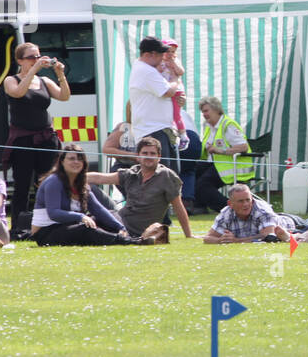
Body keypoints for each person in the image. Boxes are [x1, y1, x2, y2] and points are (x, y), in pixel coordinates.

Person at [2, 41, 70, 220]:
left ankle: (49, 219)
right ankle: (18, 224)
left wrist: (60, 73)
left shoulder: (44, 81)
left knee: (48, 181)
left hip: (46, 138)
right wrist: (32, 71)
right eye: (31, 57)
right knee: (22, 184)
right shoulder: (11, 80)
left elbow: (64, 96)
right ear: (19, 61)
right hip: (23, 140)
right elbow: (17, 93)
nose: (36, 60)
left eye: (38, 56)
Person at [31, 143, 142, 246]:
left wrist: (120, 227)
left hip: (68, 226)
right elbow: (54, 213)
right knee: (85, 228)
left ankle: (125, 236)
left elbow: (98, 210)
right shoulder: (54, 181)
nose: (76, 162)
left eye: (80, 159)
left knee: (111, 214)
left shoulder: (81, 184)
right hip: (45, 233)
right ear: (62, 162)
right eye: (71, 159)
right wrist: (81, 216)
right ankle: (126, 241)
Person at [88, 136, 193, 240]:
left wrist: (189, 235)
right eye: (145, 153)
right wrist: (75, 177)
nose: (149, 156)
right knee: (88, 189)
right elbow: (100, 178)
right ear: (138, 156)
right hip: (117, 219)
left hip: (135, 230)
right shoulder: (132, 172)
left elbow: (179, 207)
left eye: (152, 153)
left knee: (88, 229)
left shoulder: (166, 176)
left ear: (159, 157)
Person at [129, 35, 183, 168]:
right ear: (149, 54)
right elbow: (168, 92)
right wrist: (175, 80)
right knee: (162, 176)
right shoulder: (146, 71)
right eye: (160, 54)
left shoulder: (145, 68)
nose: (162, 58)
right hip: (153, 131)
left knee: (170, 176)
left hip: (159, 129)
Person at [193, 96, 252, 213]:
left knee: (203, 184)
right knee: (192, 173)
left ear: (216, 109)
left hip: (232, 165)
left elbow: (243, 147)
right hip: (216, 163)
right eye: (202, 112)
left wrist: (220, 151)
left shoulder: (228, 125)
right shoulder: (208, 126)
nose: (204, 114)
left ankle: (230, 209)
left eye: (206, 111)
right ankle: (198, 206)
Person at [203, 183, 291, 243]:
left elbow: (268, 236)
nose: (245, 204)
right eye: (240, 201)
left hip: (292, 223)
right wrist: (220, 240)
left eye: (248, 200)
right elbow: (207, 238)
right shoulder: (226, 214)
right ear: (230, 204)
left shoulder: (263, 211)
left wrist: (236, 241)